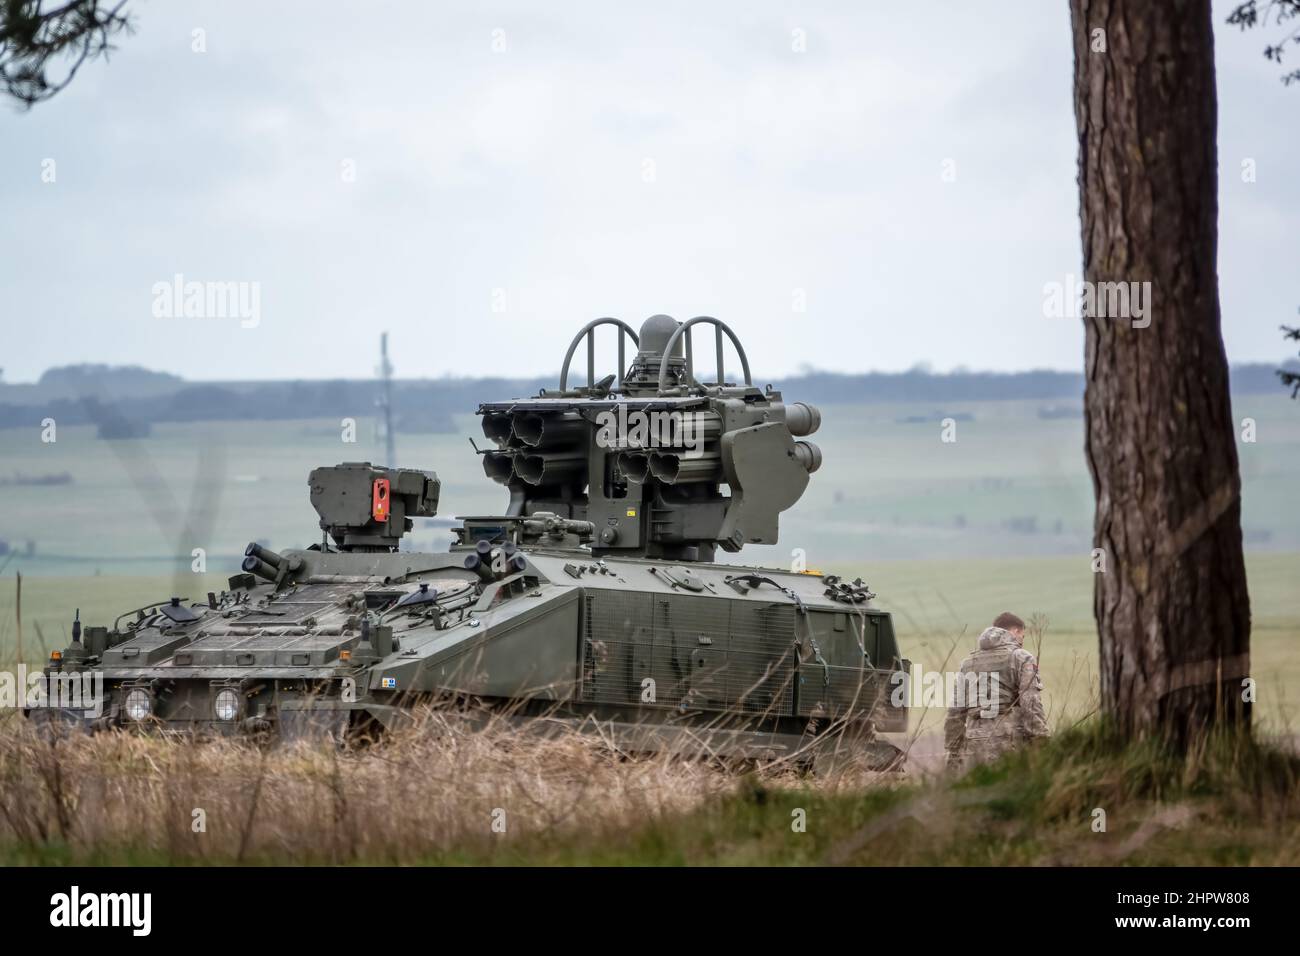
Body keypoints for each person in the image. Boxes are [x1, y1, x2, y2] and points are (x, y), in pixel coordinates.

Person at [943, 612, 1049, 771]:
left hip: (973, 745)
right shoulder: (1021, 657)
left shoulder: (968, 663)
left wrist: (954, 753)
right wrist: (1042, 741)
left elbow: (955, 712)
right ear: (1015, 631)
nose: (1021, 642)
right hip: (1010, 742)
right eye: (1022, 636)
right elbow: (1030, 703)